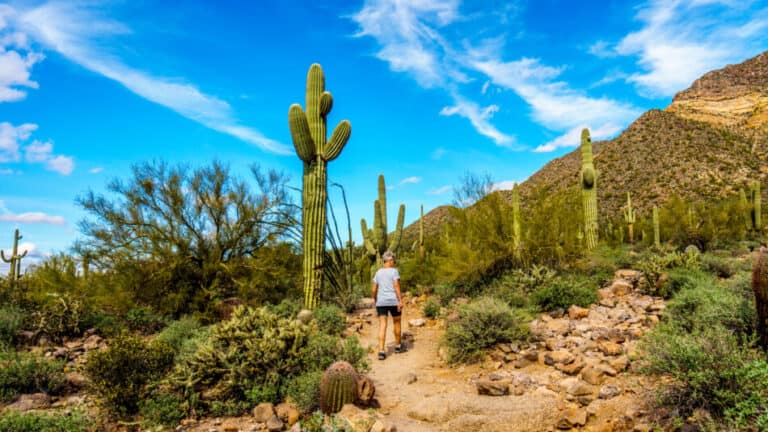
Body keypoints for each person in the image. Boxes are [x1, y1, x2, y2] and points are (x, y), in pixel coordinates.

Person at [372, 250, 404, 360]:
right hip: (393, 301)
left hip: (381, 303)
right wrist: (400, 300)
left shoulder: (378, 272)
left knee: (382, 325)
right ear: (389, 260)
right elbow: (396, 286)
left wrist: (376, 299)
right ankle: (398, 346)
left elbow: (374, 289)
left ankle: (381, 351)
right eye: (393, 260)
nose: (394, 262)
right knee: (397, 322)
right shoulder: (394, 271)